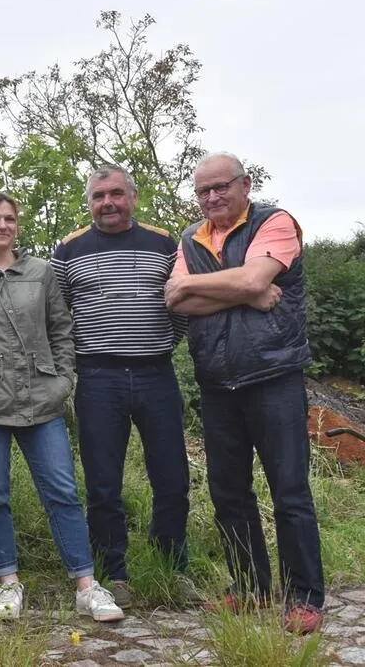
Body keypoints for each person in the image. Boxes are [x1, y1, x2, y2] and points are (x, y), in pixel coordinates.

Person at [0, 192, 124, 623]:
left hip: (43, 401)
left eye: (10, 219)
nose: (3, 225)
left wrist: (63, 380)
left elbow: (62, 329)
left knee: (62, 491)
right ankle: (7, 585)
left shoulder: (41, 273)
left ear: (17, 225)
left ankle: (87, 587)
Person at [166, 152, 324, 634]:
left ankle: (304, 598)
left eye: (221, 187)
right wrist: (246, 290)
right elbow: (174, 297)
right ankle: (250, 590)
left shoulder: (274, 223)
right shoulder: (190, 239)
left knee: (290, 492)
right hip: (218, 384)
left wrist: (232, 285)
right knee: (228, 493)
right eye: (203, 191)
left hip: (273, 377)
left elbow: (251, 277)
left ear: (245, 184)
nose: (212, 197)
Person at [51, 165, 202, 608]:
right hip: (97, 378)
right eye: (98, 196)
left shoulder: (163, 243)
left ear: (133, 197)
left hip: (156, 375)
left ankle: (173, 568)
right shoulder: (69, 249)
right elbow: (59, 317)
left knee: (172, 477)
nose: (108, 203)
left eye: (116, 194)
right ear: (89, 202)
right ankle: (113, 572)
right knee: (102, 483)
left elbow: (181, 304)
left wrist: (155, 346)